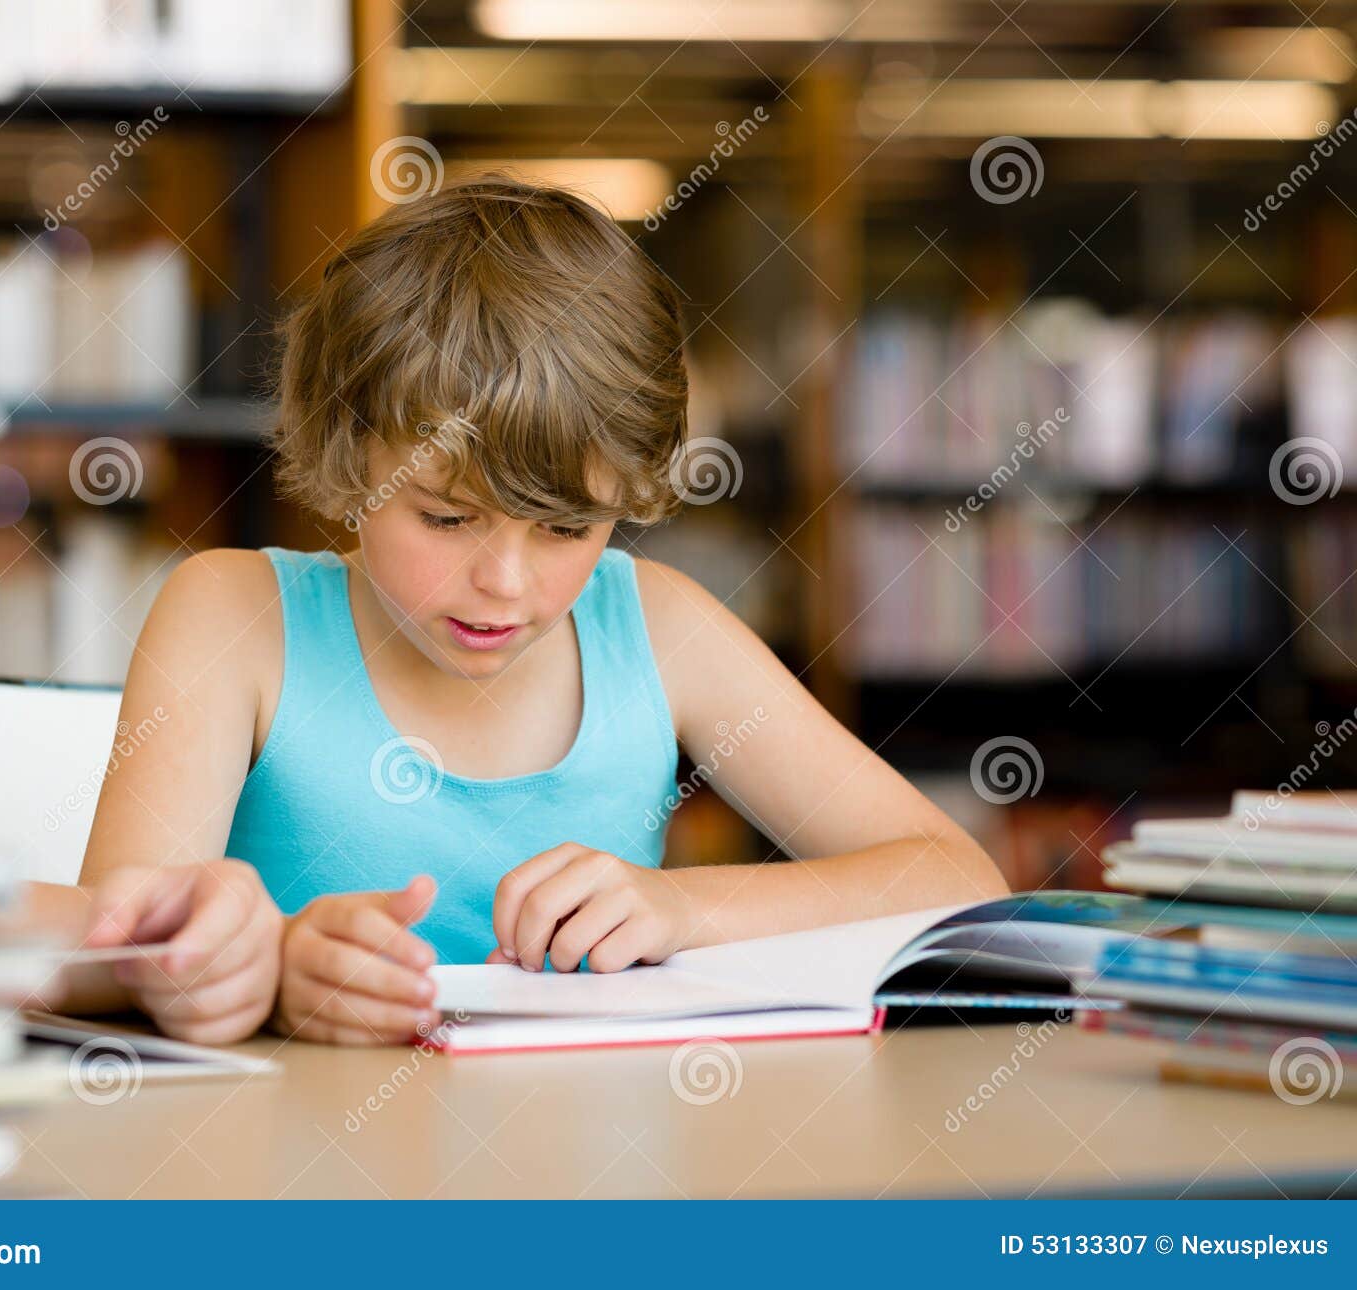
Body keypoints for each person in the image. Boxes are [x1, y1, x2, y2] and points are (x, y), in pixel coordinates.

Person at [64, 176, 1008, 1046]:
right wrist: (275, 969)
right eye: (445, 517)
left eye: (564, 528)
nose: (506, 584)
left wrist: (685, 908)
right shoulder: (235, 617)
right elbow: (112, 945)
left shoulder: (658, 628)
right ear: (352, 461)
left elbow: (956, 879)